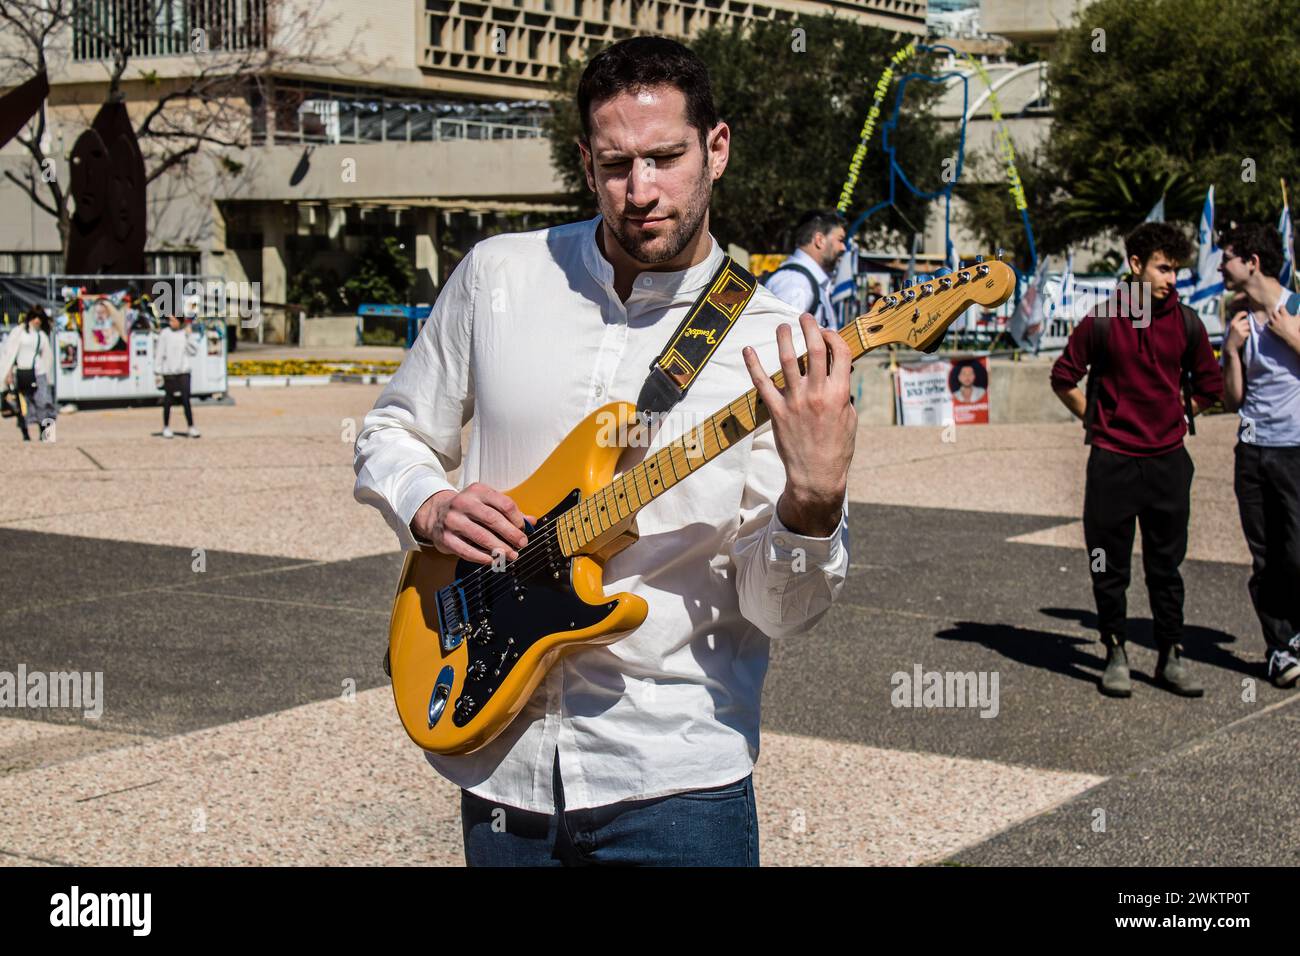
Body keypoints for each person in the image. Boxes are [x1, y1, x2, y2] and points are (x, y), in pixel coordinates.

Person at [353, 36, 854, 867]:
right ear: (585, 161)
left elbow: (780, 611)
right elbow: (390, 430)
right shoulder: (498, 276)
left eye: (666, 157)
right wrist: (430, 504)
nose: (641, 191)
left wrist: (816, 498)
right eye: (617, 163)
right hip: (501, 764)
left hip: (677, 780)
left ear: (716, 149)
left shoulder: (774, 342)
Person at [1050, 222, 1223, 699]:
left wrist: (1178, 413)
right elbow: (1063, 377)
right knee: (1109, 566)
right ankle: (1114, 652)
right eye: (1163, 268)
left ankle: (1171, 654)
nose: (1172, 279)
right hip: (1113, 464)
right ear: (1135, 266)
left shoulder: (1188, 323)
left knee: (1166, 567)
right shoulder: (1102, 322)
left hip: (1169, 463)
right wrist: (1098, 423)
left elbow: (1212, 387)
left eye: (1176, 270)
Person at [1217, 223, 1300, 688]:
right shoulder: (1237, 318)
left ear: (1253, 261)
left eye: (1227, 257)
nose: (1220, 266)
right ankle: (1279, 647)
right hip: (1252, 450)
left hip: (1296, 449)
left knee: (1296, 551)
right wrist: (1230, 351)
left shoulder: (1298, 308)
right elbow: (1232, 401)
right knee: (1265, 555)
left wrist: (1292, 338)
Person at [762, 209, 847, 329]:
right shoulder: (797, 284)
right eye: (840, 239)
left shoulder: (807, 282)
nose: (843, 247)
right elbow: (779, 341)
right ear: (819, 240)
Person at [0, 306, 57, 442]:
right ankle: (25, 434)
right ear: (29, 318)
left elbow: (47, 357)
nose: (37, 321)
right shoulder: (19, 332)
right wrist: (8, 373)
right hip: (21, 372)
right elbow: (10, 354)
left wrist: (48, 376)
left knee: (44, 402)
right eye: (35, 317)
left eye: (40, 318)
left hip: (39, 372)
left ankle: (47, 435)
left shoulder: (42, 335)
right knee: (23, 405)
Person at [153, 313, 200, 439]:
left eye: (174, 320)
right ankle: (166, 427)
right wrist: (157, 371)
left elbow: (194, 350)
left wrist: (189, 335)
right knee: (168, 400)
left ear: (180, 321)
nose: (171, 323)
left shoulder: (185, 333)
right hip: (169, 372)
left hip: (183, 371)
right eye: (170, 320)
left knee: (186, 400)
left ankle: (191, 427)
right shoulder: (165, 334)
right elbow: (159, 353)